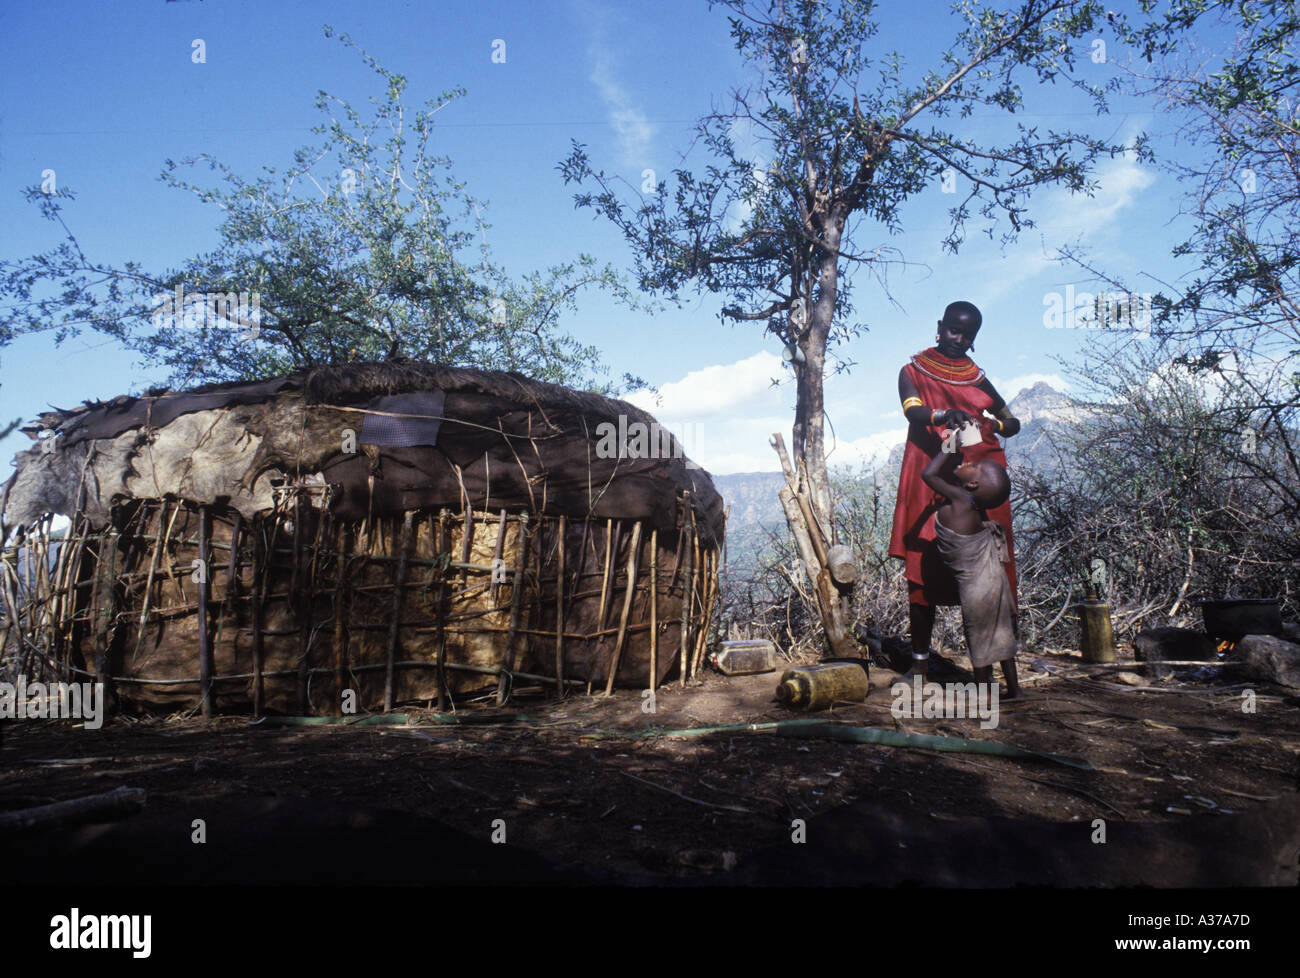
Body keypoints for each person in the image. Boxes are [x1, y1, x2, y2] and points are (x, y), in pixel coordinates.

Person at [889, 300, 1021, 684]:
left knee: (991, 576)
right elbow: (913, 412)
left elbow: (1010, 419)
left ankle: (993, 670)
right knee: (923, 569)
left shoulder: (978, 377)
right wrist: (944, 417)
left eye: (967, 335)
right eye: (953, 330)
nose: (959, 339)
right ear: (939, 325)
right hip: (930, 467)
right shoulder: (912, 370)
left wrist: (993, 423)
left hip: (980, 476)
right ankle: (919, 667)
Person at [921, 448, 1020, 696]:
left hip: (977, 585)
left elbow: (929, 474)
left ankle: (984, 692)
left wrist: (945, 449)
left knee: (978, 634)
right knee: (1001, 632)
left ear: (973, 483)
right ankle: (1014, 689)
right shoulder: (971, 503)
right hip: (992, 578)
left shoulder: (962, 500)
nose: (968, 461)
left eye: (973, 464)